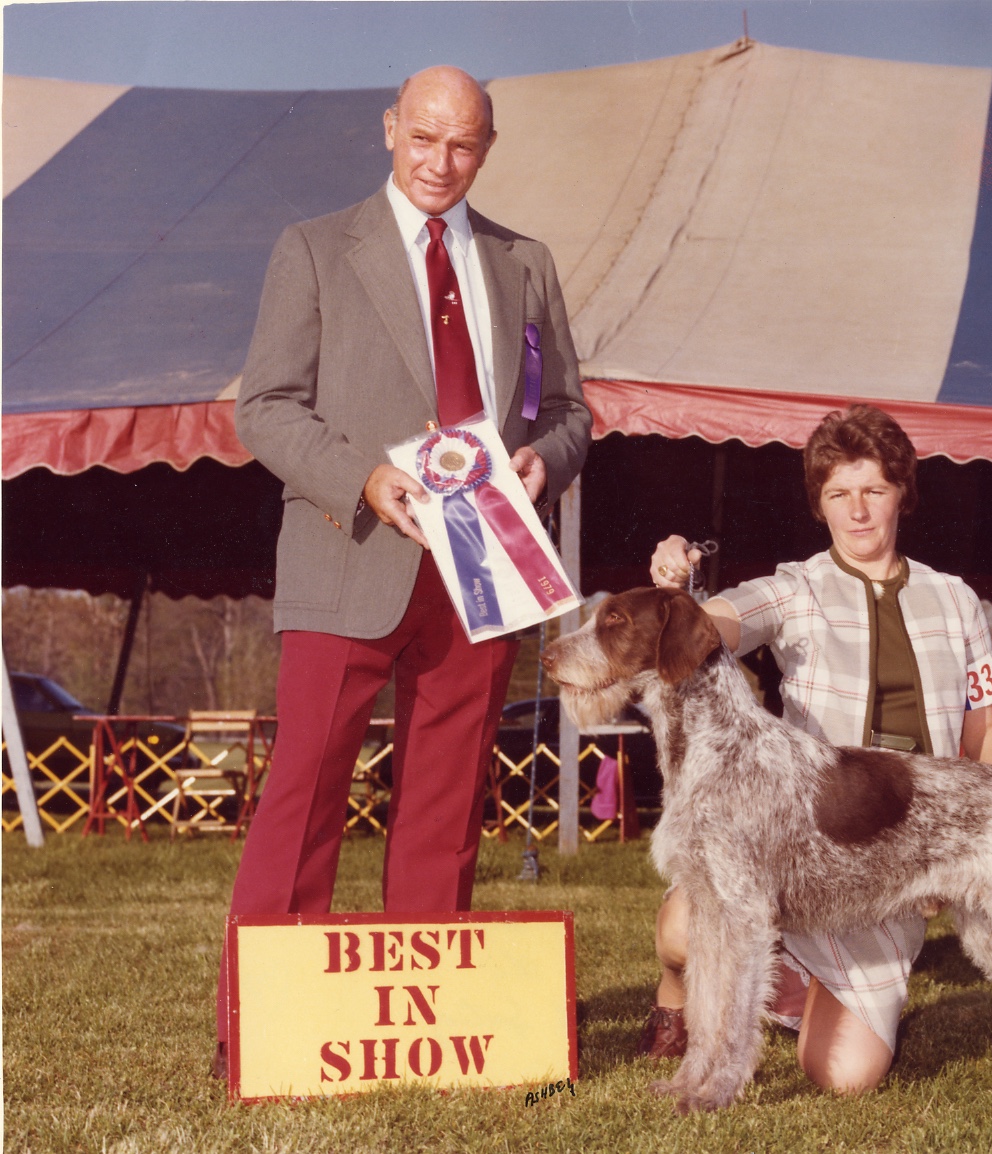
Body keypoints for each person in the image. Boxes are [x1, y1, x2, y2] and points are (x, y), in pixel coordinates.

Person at [214, 66, 592, 1073]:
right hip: (351, 549)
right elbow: (265, 409)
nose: (440, 162)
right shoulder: (312, 249)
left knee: (447, 793)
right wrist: (367, 476)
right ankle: (261, 1026)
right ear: (389, 130)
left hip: (483, 569)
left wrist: (540, 462)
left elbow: (567, 415)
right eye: (422, 138)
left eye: (462, 144)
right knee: (303, 789)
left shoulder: (526, 265)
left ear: (488, 146)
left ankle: (419, 1030)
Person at [642, 404, 992, 1094]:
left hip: (891, 850)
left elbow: (986, 729)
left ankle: (789, 988)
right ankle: (678, 996)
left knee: (844, 1076)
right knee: (684, 926)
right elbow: (719, 624)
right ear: (818, 506)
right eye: (837, 495)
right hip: (796, 840)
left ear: (901, 497)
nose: (856, 512)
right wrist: (679, 592)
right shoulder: (793, 589)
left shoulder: (955, 601)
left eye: (873, 491)